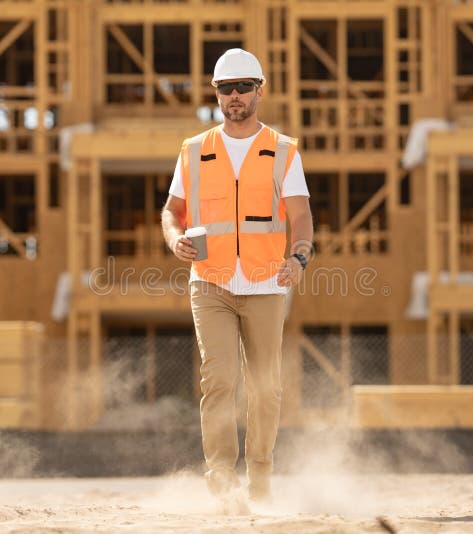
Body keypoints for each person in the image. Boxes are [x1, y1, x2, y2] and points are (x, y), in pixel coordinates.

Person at [160, 48, 313, 504]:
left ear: (259, 90)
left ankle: (260, 482)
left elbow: (301, 216)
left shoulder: (283, 151)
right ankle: (222, 483)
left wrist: (299, 257)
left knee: (266, 388)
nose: (234, 97)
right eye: (226, 89)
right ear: (216, 94)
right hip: (210, 280)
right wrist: (174, 240)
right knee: (219, 378)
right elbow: (172, 211)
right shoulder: (193, 151)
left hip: (267, 282)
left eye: (243, 87)